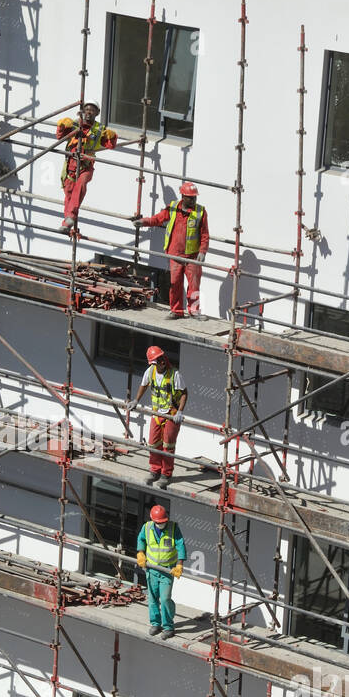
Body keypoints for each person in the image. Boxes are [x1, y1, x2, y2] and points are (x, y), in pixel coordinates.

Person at [132, 182, 209, 318]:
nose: (193, 200)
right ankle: (176, 311)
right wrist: (143, 222)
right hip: (175, 255)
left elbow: (204, 235)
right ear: (183, 197)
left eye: (195, 197)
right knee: (175, 284)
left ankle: (194, 311)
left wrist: (202, 251)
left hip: (192, 257)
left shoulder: (200, 212)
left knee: (194, 286)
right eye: (190, 198)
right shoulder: (173, 208)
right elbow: (157, 219)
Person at [56, 102, 117, 233]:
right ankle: (67, 223)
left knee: (81, 184)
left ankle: (70, 217)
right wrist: (61, 125)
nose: (89, 112)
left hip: (86, 166)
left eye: (92, 110)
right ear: (83, 111)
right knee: (69, 196)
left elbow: (110, 145)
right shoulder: (73, 124)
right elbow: (59, 136)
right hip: (70, 167)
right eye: (87, 109)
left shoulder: (100, 129)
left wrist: (112, 136)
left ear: (97, 113)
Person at [132, 344, 188, 488]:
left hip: (172, 414)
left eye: (162, 358)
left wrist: (180, 411)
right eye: (158, 360)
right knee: (153, 443)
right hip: (157, 413)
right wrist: (136, 400)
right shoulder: (150, 372)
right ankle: (155, 470)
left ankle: (166, 474)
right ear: (153, 363)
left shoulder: (174, 374)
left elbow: (184, 393)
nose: (162, 361)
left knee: (168, 445)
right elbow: (144, 385)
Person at [137, 504, 186, 640]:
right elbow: (141, 539)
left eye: (163, 522)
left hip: (167, 570)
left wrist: (179, 565)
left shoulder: (173, 528)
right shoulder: (146, 528)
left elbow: (181, 546)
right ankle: (155, 623)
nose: (161, 524)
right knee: (152, 598)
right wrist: (140, 553)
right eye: (158, 522)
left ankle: (168, 627)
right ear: (153, 520)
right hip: (152, 569)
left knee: (164, 599)